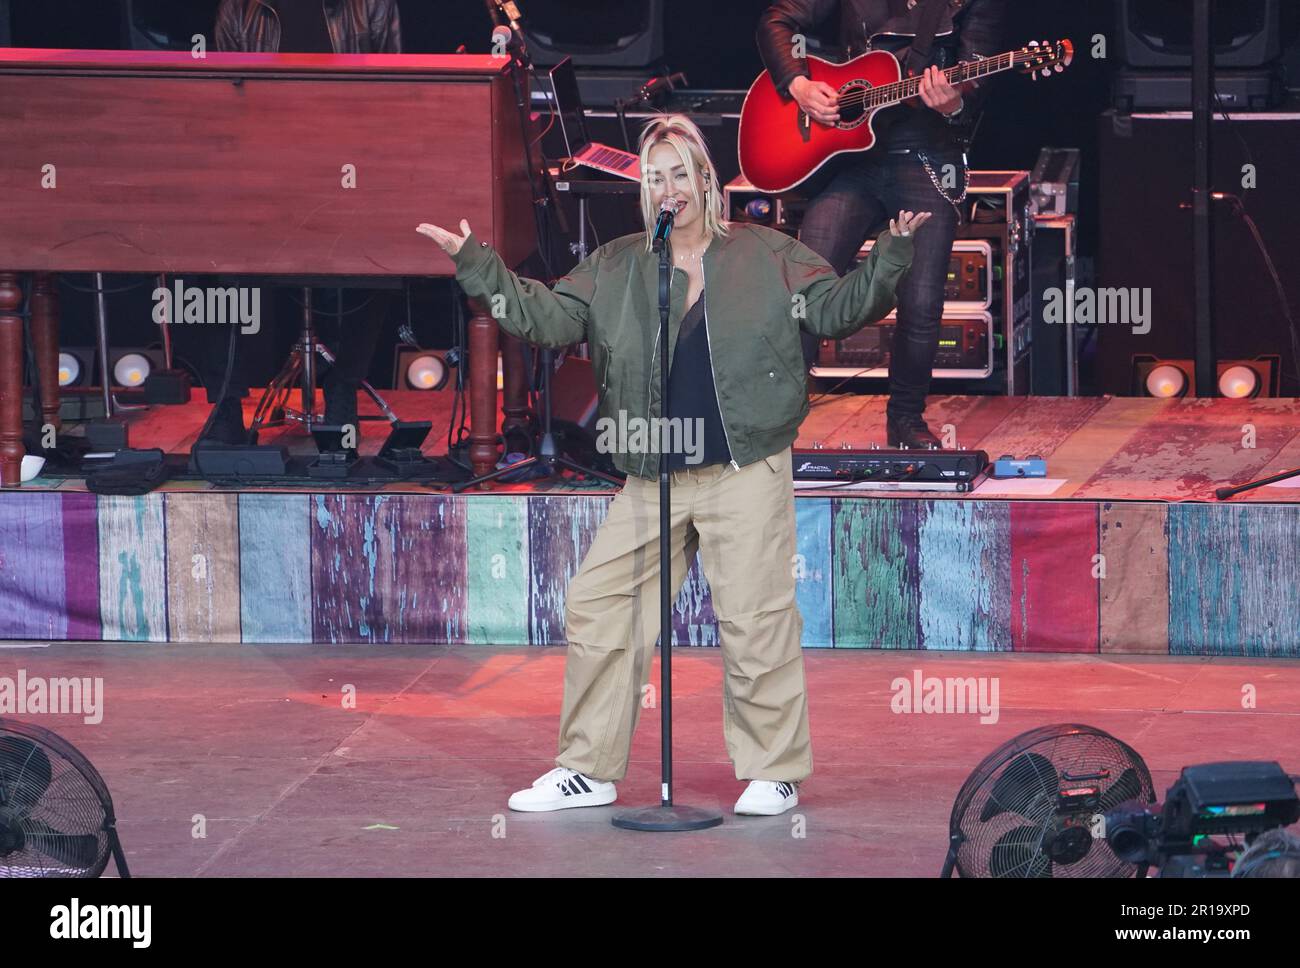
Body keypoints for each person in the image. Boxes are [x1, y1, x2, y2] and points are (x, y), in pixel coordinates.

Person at [418, 115, 929, 816]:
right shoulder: (619, 263)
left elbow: (839, 312)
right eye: (654, 176)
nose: (668, 188)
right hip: (653, 473)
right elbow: (545, 318)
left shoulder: (768, 254)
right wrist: (478, 263)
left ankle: (774, 769)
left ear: (706, 181)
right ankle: (588, 770)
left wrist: (890, 255)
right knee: (599, 603)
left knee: (754, 617)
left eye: (679, 173)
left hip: (741, 466)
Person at [757, 0, 1006, 448]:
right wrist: (798, 84)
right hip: (851, 158)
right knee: (806, 283)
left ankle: (906, 420)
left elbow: (977, 77)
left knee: (923, 299)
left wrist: (953, 105)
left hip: (926, 155)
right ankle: (774, 418)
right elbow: (777, 19)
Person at [181, 0, 402, 445]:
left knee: (388, 254)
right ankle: (225, 403)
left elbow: (394, 90)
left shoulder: (371, 5)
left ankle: (343, 386)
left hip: (348, 169)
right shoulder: (242, 9)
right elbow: (219, 96)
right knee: (201, 257)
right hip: (263, 175)